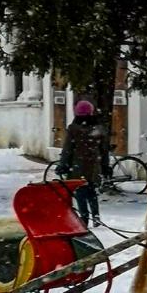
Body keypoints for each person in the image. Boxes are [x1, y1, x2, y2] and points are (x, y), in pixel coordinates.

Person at [58, 98, 109, 229]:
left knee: (80, 192)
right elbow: (104, 151)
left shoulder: (74, 129)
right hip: (94, 168)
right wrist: (105, 167)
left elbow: (67, 150)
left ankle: (84, 217)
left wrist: (63, 165)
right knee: (92, 192)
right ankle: (96, 216)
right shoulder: (98, 130)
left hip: (78, 167)